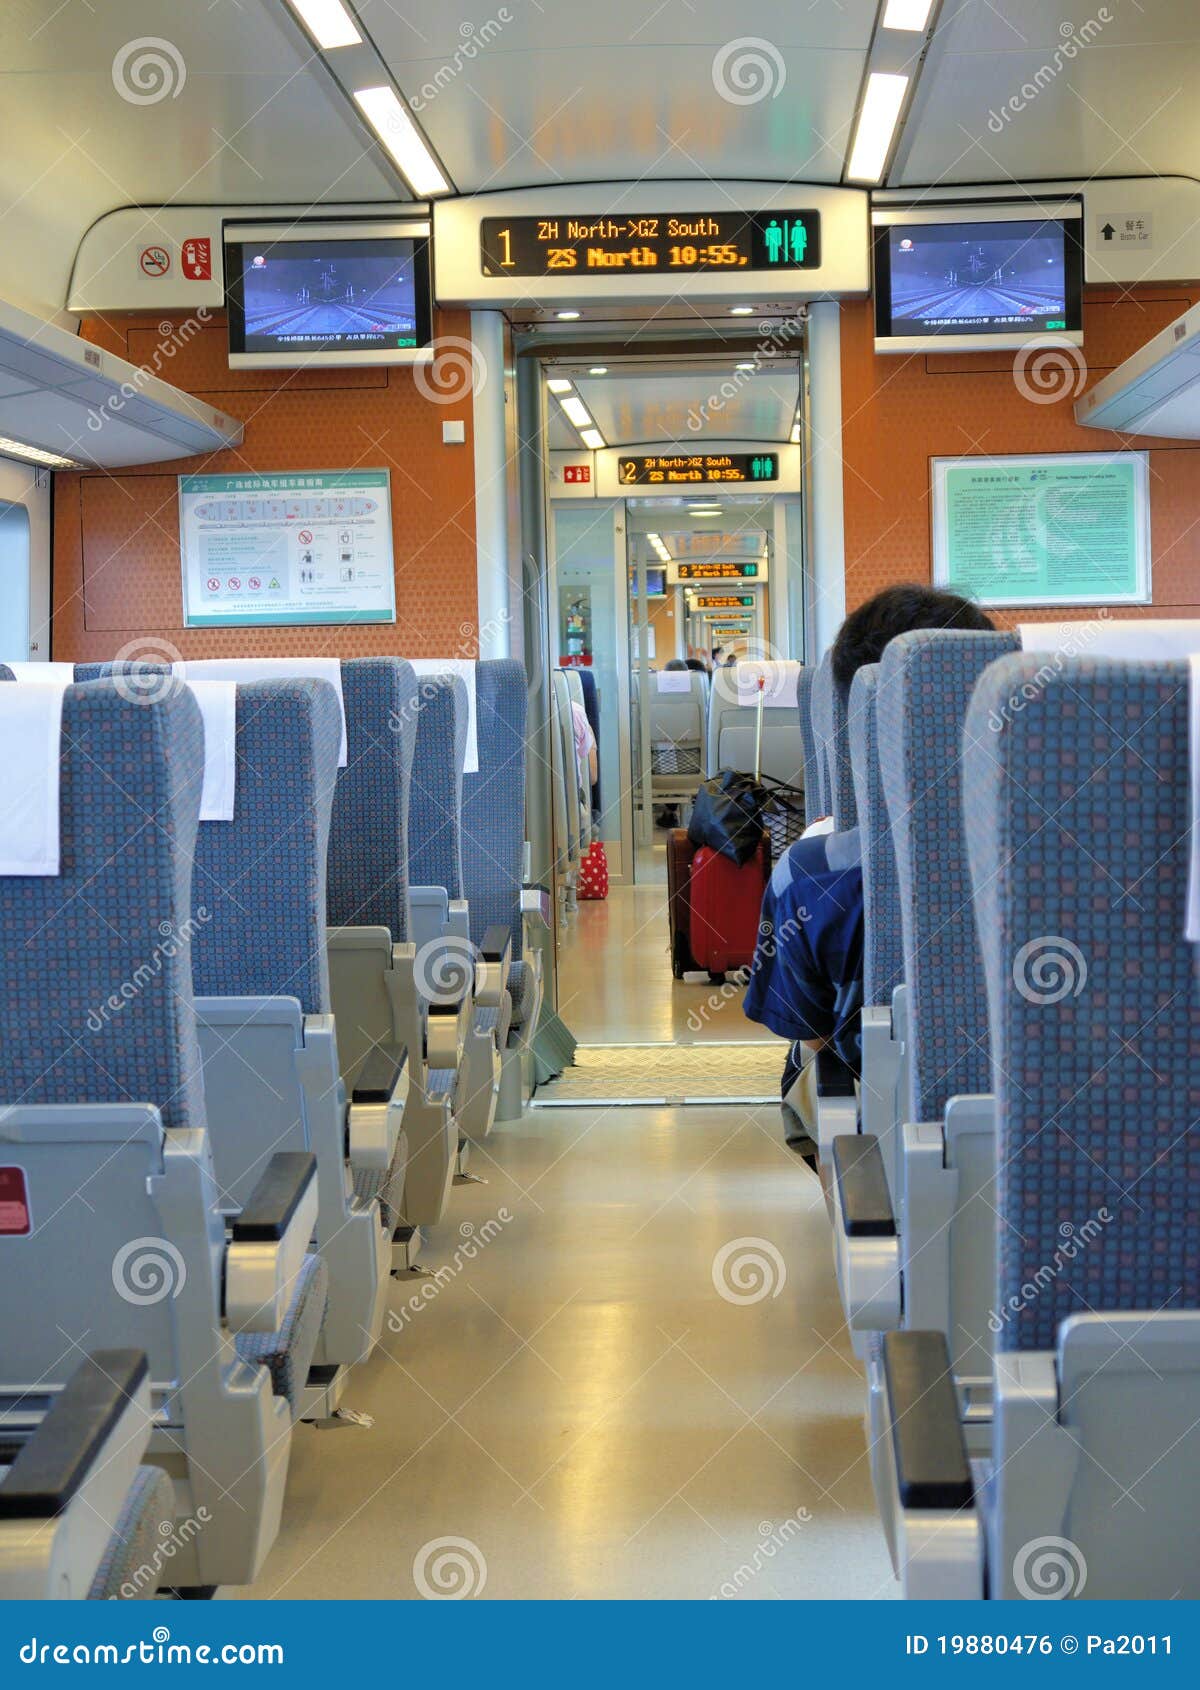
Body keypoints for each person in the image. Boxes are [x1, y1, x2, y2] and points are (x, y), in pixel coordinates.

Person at [742, 584, 995, 1165]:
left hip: (894, 1137)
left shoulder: (813, 871)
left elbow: (809, 1034)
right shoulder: (1085, 847)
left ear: (852, 715)